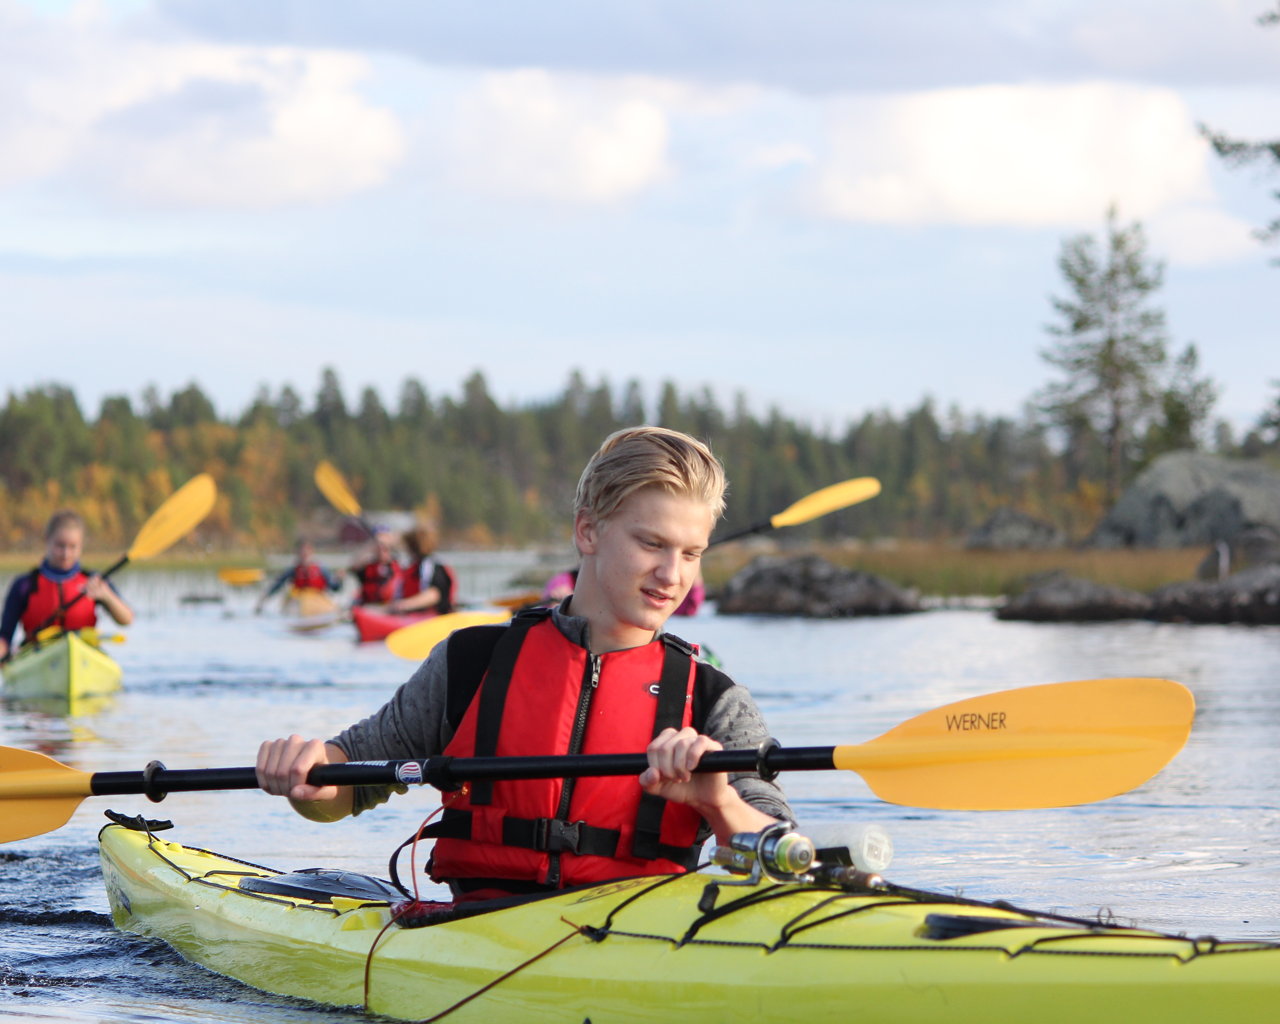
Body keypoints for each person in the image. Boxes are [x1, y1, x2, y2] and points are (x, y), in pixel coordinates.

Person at [258, 426, 792, 899]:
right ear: (587, 531)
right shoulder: (471, 662)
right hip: (476, 928)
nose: (673, 575)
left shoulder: (713, 699)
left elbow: (786, 862)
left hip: (640, 934)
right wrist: (306, 773)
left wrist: (719, 804)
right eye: (652, 543)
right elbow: (347, 781)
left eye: (692, 553)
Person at [0, 510, 134, 661]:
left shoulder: (94, 581)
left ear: (81, 546)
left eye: (72, 547)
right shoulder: (24, 585)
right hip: (37, 659)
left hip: (84, 658)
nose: (66, 554)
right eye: (60, 546)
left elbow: (127, 620)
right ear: (47, 540)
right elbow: (4, 637)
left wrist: (106, 595)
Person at [254, 539, 342, 614]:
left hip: (316, 600)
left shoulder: (321, 569)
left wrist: (340, 579)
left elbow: (335, 588)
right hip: (298, 599)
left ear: (311, 552)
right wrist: (263, 600)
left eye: (306, 553)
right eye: (302, 553)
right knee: (294, 606)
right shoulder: (293, 570)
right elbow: (277, 585)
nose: (304, 555)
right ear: (298, 554)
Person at [387, 524, 456, 616]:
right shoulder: (413, 566)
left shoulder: (433, 567)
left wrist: (403, 605)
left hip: (433, 618)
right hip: (412, 617)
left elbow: (434, 595)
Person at [349, 529, 400, 606]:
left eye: (385, 549)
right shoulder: (368, 566)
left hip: (391, 605)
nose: (382, 552)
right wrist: (372, 545)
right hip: (370, 605)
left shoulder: (397, 565)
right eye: (379, 549)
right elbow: (354, 566)